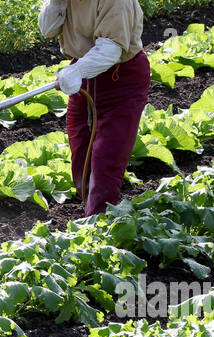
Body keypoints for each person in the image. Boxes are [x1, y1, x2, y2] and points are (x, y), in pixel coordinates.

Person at [39, 0, 150, 216]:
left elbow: (111, 48)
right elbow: (48, 28)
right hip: (85, 78)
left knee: (106, 159)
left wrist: (78, 71)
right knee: (81, 152)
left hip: (120, 79)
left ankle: (98, 226)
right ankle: (91, 210)